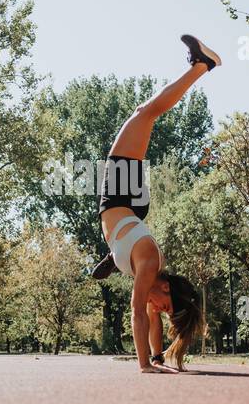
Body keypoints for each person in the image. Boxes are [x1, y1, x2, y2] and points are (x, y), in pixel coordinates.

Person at [91, 35, 217, 373]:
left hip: (129, 212)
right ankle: (203, 65)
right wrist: (144, 366)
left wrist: (158, 358)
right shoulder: (149, 268)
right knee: (146, 113)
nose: (158, 308)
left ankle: (112, 255)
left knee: (143, 114)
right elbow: (137, 313)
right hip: (121, 198)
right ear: (164, 288)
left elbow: (148, 314)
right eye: (164, 305)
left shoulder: (151, 276)